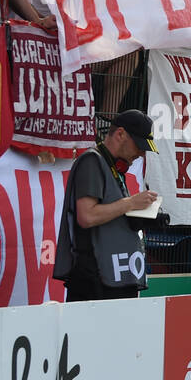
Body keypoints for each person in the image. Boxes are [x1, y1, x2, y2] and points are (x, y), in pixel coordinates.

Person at [53, 111, 160, 302]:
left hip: (112, 278)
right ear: (120, 134)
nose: (141, 154)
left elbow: (113, 215)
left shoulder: (112, 167)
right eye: (139, 146)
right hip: (94, 281)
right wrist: (130, 203)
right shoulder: (92, 161)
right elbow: (87, 216)